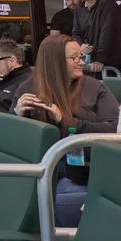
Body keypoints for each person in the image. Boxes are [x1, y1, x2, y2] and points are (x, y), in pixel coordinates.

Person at [13, 35, 119, 227]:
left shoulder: (96, 88)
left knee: (48, 205)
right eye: (74, 58)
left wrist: (65, 120)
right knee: (17, 200)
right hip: (37, 166)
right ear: (54, 62)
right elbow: (11, 141)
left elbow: (110, 130)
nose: (81, 62)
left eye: (81, 57)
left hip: (80, 172)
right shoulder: (27, 88)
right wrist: (17, 115)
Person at [72, 0, 121, 72]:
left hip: (108, 62)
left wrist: (100, 60)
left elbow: (107, 33)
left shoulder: (107, 4)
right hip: (87, 61)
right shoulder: (79, 8)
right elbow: (75, 33)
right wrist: (81, 45)